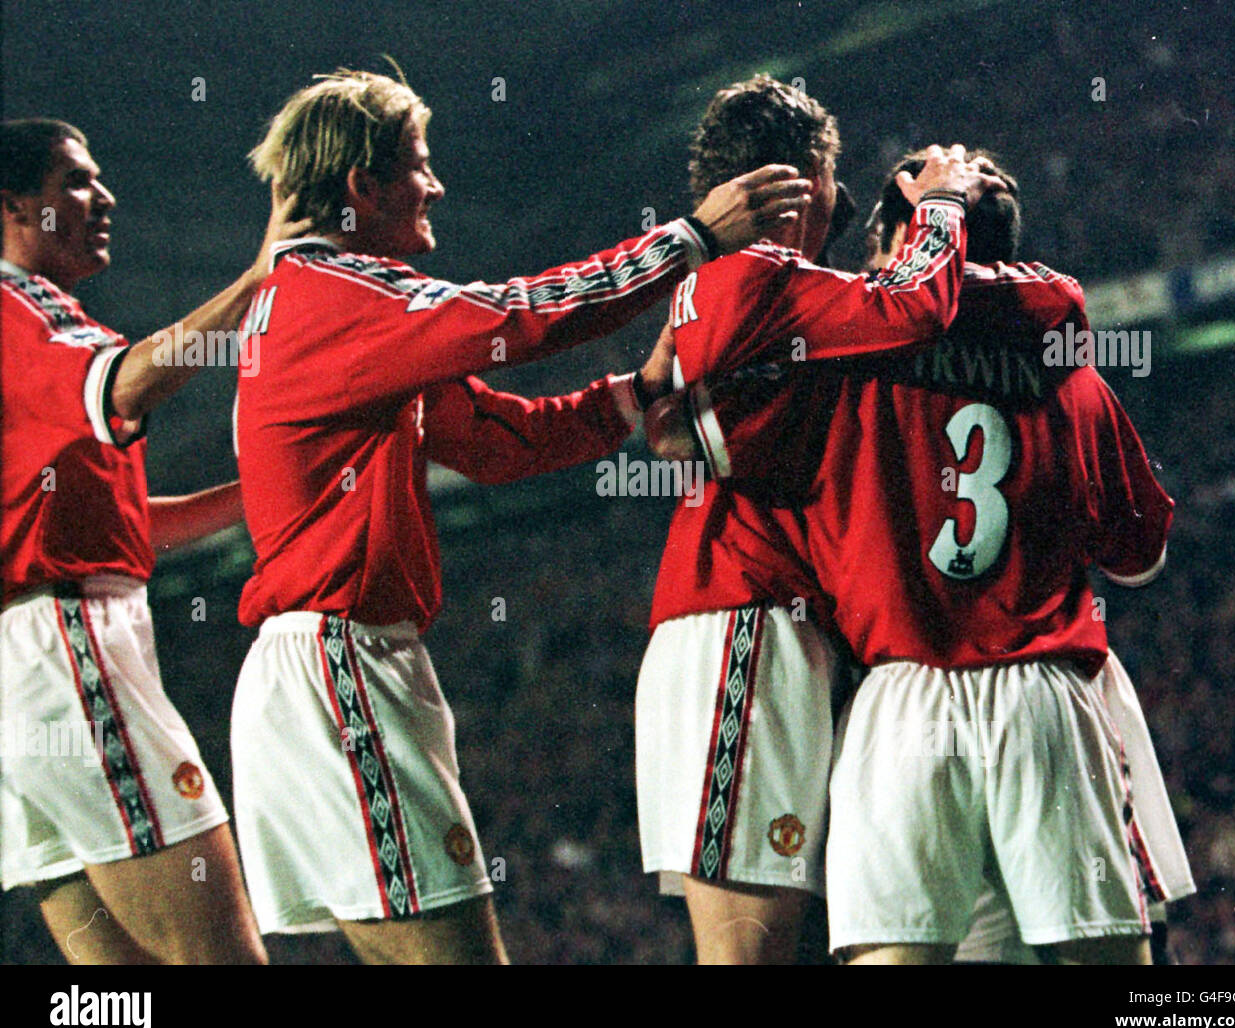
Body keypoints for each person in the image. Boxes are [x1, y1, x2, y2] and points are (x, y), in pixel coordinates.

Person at [229, 66, 808, 964]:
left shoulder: (317, 309)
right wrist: (686, 241)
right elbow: (518, 316)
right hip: (340, 668)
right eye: (419, 165)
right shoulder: (339, 296)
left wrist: (632, 396)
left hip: (325, 667)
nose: (437, 185)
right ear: (363, 187)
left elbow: (499, 440)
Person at [655, 148, 1176, 965]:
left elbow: (681, 437)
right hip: (1044, 695)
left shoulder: (836, 364)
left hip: (899, 701)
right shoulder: (1072, 371)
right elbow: (1140, 555)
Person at [631, 75, 1004, 964]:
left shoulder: (721, 285)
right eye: (829, 178)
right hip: (740, 628)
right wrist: (942, 208)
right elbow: (914, 308)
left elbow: (664, 426)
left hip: (747, 629)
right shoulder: (760, 276)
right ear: (805, 179)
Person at [0, 117, 307, 964]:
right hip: (66, 651)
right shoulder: (17, 309)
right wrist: (258, 279)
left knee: (117, 993)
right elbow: (129, 382)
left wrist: (266, 491)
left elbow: (121, 528)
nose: (105, 198)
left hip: (23, 673)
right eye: (77, 181)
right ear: (14, 206)